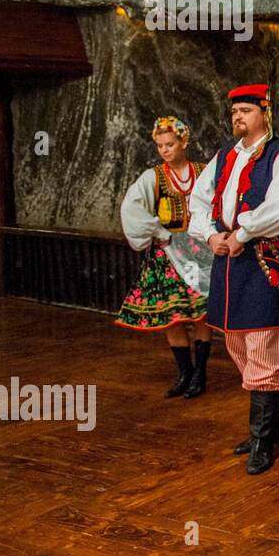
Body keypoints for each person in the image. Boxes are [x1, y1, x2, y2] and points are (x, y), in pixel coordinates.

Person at [189, 83, 279, 475]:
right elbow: (201, 198)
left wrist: (241, 234)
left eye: (245, 110)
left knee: (263, 343)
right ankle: (273, 425)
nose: (238, 118)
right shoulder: (225, 154)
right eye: (234, 112)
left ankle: (261, 438)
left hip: (265, 259)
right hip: (229, 259)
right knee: (238, 342)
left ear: (265, 112)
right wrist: (211, 235)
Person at [115, 116, 215, 399]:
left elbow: (219, 202)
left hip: (199, 251)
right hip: (168, 253)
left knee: (201, 312)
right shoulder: (153, 177)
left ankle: (200, 372)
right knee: (173, 314)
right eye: (160, 145)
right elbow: (131, 208)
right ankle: (184, 372)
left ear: (184, 141)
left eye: (170, 144)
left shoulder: (203, 172)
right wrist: (157, 230)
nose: (164, 150)